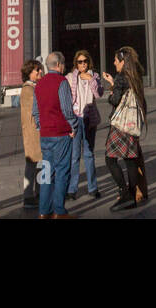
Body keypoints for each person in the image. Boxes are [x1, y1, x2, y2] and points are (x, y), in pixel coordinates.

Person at [32, 51, 80, 218]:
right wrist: (73, 127)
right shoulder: (62, 82)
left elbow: (35, 111)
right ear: (58, 65)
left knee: (46, 172)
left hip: (45, 134)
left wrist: (41, 126)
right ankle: (59, 211)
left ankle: (44, 211)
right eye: (64, 63)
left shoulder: (38, 84)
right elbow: (67, 110)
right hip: (60, 133)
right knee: (61, 172)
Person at [102, 46, 148, 212]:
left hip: (120, 125)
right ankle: (131, 196)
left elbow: (115, 100)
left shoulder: (121, 77)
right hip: (132, 125)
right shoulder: (135, 76)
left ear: (122, 61)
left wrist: (111, 89)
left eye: (116, 60)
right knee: (130, 160)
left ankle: (124, 193)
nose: (114, 63)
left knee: (110, 159)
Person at [67, 50, 104, 200]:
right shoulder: (69, 78)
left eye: (85, 61)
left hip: (89, 119)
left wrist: (91, 80)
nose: (83, 64)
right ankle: (72, 189)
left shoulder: (94, 76)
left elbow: (99, 94)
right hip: (75, 119)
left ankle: (92, 188)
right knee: (75, 156)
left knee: (89, 154)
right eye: (80, 62)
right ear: (76, 63)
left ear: (89, 62)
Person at [20, 59, 44, 208]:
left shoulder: (33, 88)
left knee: (36, 164)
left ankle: (37, 193)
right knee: (36, 164)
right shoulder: (29, 89)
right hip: (34, 134)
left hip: (34, 134)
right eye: (37, 70)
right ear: (29, 73)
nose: (40, 72)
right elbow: (36, 113)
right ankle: (31, 195)